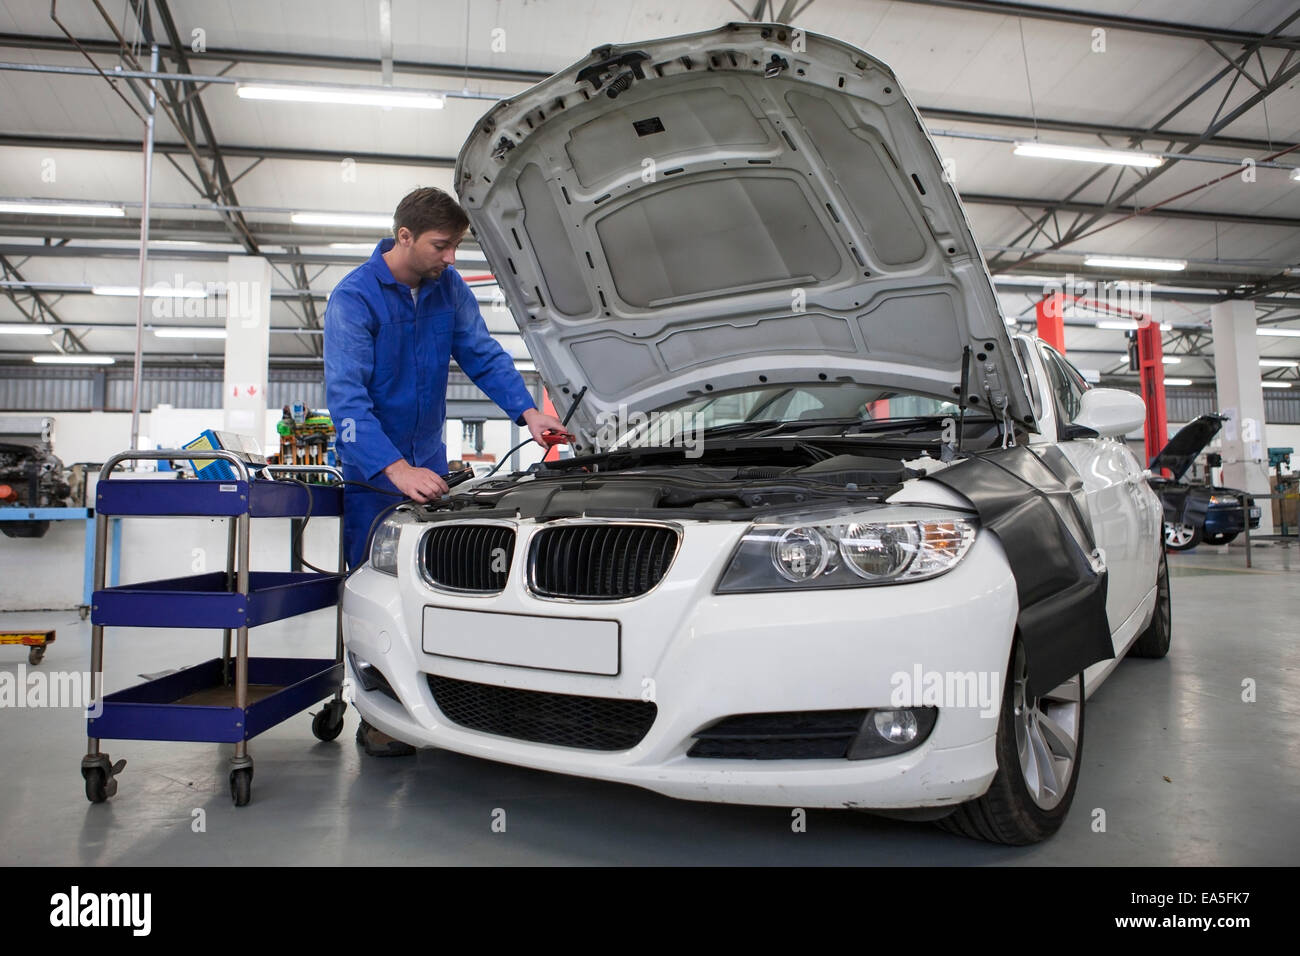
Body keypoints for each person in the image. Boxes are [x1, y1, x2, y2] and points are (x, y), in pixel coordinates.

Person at [324, 186, 565, 756]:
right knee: (375, 595)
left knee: (431, 592)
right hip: (371, 473)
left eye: (457, 246)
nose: (451, 258)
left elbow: (481, 354)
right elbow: (347, 402)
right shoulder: (354, 299)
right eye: (442, 245)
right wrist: (394, 469)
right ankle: (377, 712)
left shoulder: (447, 290)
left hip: (427, 465)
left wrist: (527, 412)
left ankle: (442, 704)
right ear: (404, 237)